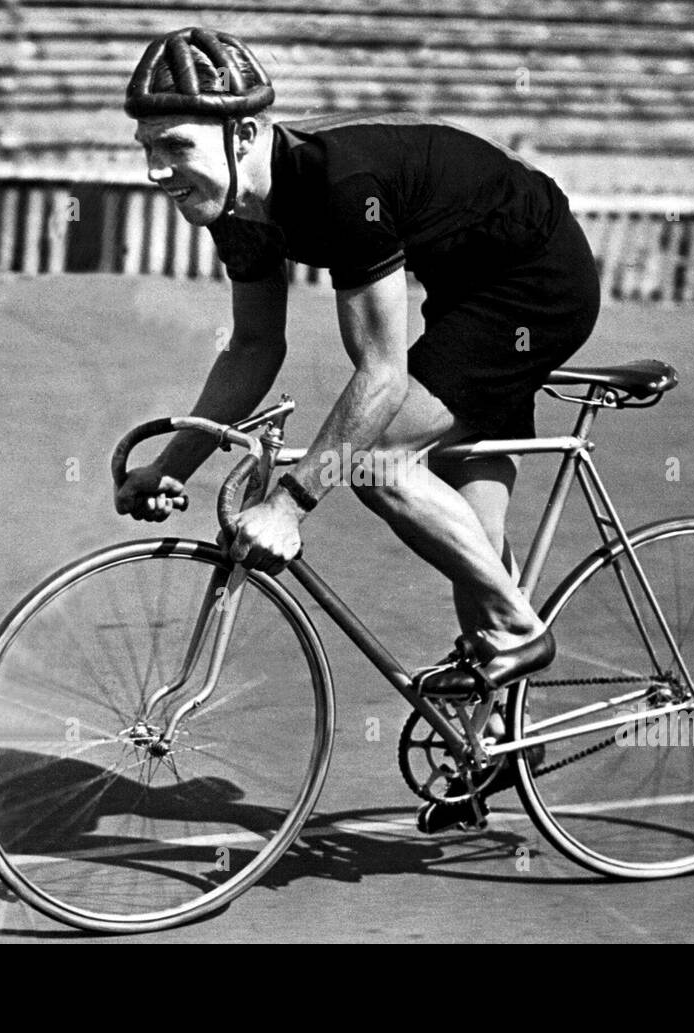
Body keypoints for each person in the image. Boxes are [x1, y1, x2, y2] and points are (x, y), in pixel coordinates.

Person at [115, 27, 600, 701]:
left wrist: (288, 503)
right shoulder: (233, 207)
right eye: (147, 147)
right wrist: (170, 468)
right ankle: (495, 743)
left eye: (175, 147)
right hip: (462, 289)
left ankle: (521, 632)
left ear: (246, 134)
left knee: (377, 460)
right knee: (469, 533)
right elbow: (253, 348)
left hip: (535, 279)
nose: (155, 170)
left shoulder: (341, 185)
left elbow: (381, 375)